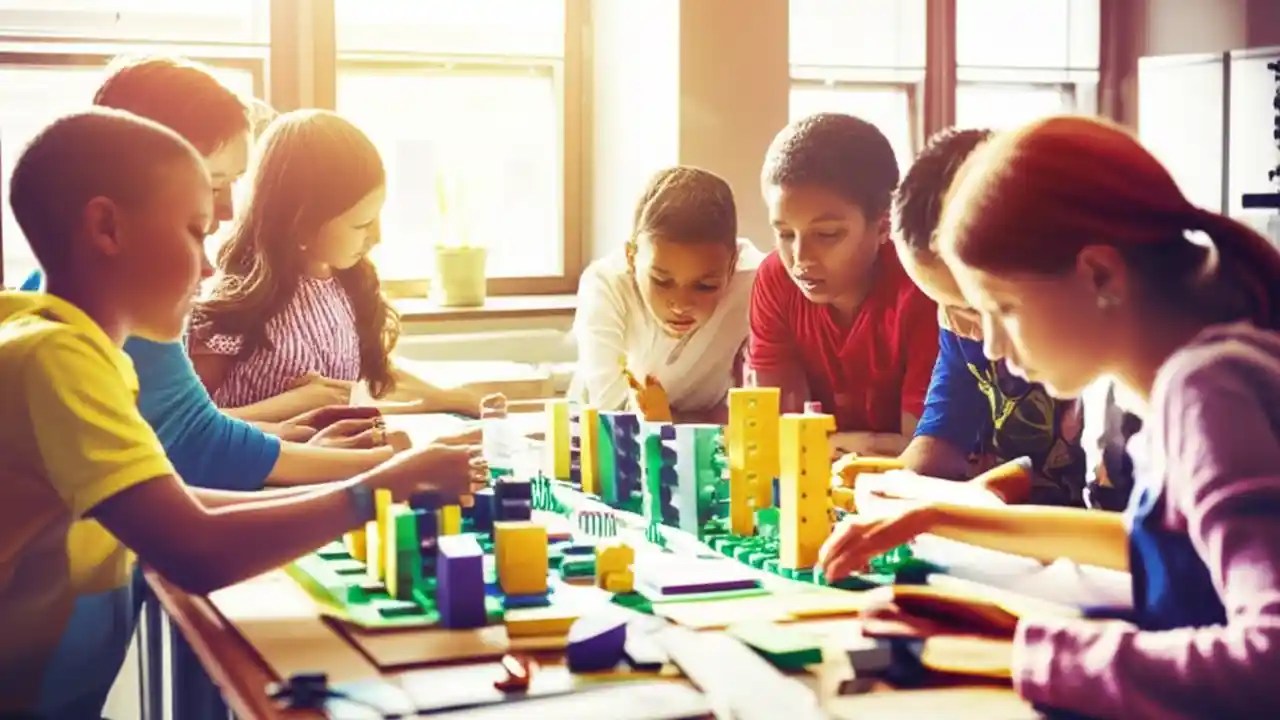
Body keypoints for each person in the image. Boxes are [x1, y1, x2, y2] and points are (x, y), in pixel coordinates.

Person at [0, 109, 485, 717]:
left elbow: (184, 502)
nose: (207, 267)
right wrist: (374, 490)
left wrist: (371, 484)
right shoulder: (54, 362)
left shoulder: (74, 350)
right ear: (107, 227)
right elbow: (194, 548)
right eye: (195, 232)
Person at [819, 115, 1280, 719]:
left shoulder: (1206, 390)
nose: (989, 346)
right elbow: (1162, 548)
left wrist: (1026, 654)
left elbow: (1269, 664)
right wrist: (944, 533)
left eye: (1002, 308)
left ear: (1099, 275)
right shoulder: (1193, 383)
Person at [188, 109, 483, 420]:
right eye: (362, 224)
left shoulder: (349, 286)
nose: (377, 238)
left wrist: (446, 397)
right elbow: (194, 427)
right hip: (266, 466)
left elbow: (376, 374)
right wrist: (297, 403)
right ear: (302, 223)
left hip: (341, 459)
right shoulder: (236, 303)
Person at [891, 127, 1086, 505]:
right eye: (940, 303)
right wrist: (883, 488)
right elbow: (939, 440)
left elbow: (1120, 530)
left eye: (975, 305)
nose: (958, 323)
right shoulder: (962, 330)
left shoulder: (1104, 366)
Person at [748, 113, 938, 457]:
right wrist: (866, 445)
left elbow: (924, 451)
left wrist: (832, 445)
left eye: (827, 235)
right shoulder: (775, 279)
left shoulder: (920, 289)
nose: (800, 257)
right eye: (785, 234)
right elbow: (778, 433)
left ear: (883, 225)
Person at [572, 166, 764, 422]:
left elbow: (757, 410)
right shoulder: (606, 284)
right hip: (602, 443)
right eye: (661, 281)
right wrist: (699, 421)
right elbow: (614, 412)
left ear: (732, 264)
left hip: (713, 448)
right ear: (631, 256)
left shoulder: (757, 282)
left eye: (705, 286)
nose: (681, 305)